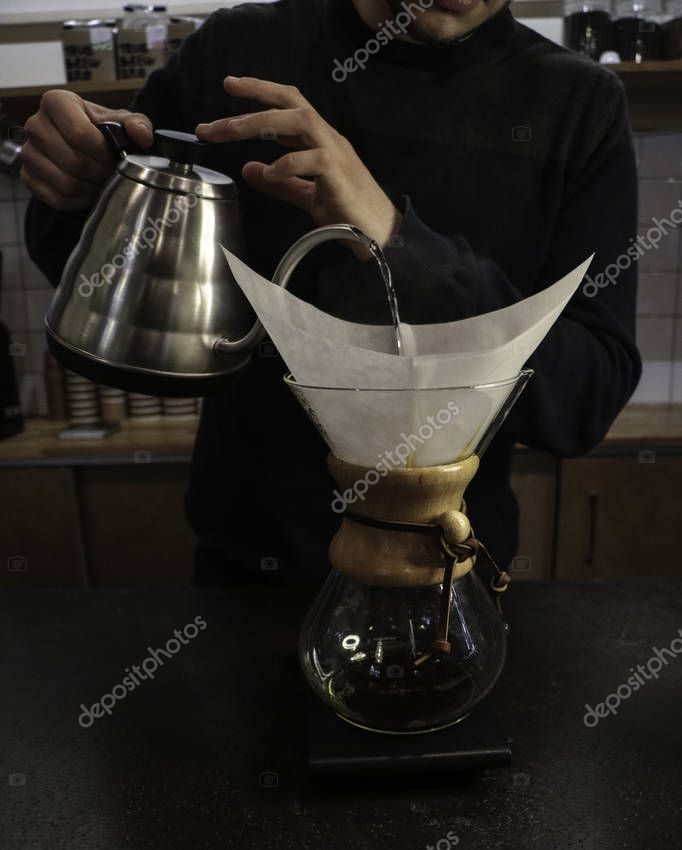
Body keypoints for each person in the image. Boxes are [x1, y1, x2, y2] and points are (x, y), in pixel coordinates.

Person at [23, 0, 640, 588]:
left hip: (453, 582)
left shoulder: (576, 105)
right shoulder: (239, 52)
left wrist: (400, 243)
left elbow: (587, 396)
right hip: (243, 582)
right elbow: (97, 267)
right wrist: (76, 186)